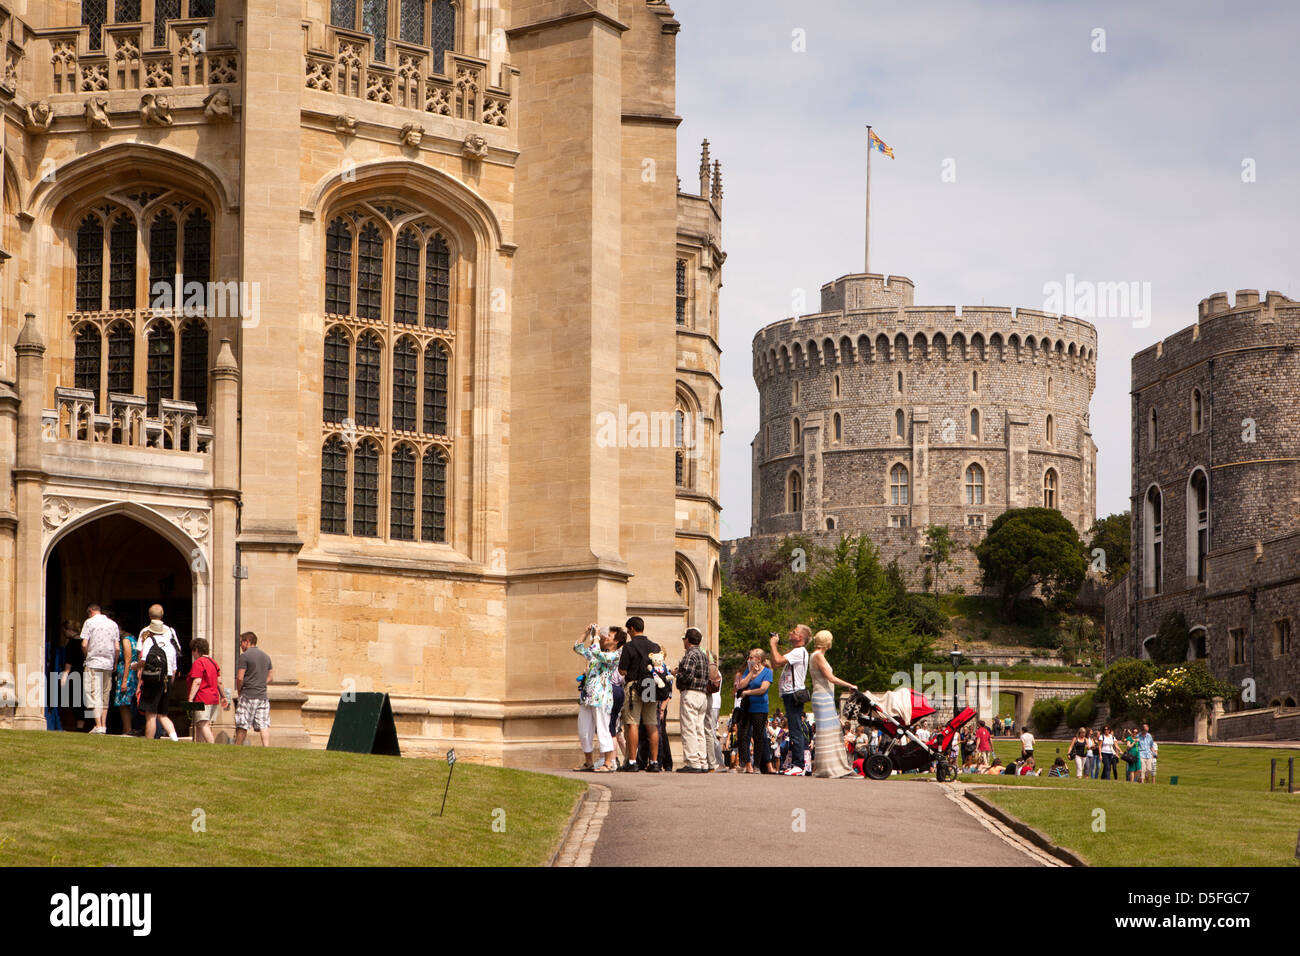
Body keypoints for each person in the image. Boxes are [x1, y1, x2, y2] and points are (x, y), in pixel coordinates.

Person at [808, 630, 857, 778]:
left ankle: (833, 766)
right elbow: (830, 677)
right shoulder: (818, 656)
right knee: (830, 732)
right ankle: (833, 768)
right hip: (823, 696)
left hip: (823, 696)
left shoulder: (816, 656)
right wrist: (850, 685)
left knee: (830, 732)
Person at [572, 624, 620, 772]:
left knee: (603, 729)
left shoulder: (615, 655)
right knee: (584, 730)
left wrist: (597, 636)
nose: (606, 637)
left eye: (610, 636)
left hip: (602, 697)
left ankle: (608, 762)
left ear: (617, 641)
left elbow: (597, 654)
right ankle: (588, 762)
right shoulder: (597, 651)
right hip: (588, 697)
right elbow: (577, 647)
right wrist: (587, 633)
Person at [616, 616, 661, 772]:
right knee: (651, 723)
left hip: (634, 686)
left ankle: (632, 761)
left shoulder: (629, 647)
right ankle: (654, 762)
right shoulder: (655, 646)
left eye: (628, 630)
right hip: (651, 687)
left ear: (632, 629)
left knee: (633, 723)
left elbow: (622, 670)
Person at [769, 624, 812, 777]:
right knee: (794, 728)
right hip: (790, 693)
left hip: (793, 693)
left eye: (794, 632)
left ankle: (799, 764)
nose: (790, 633)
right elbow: (775, 662)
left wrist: (773, 644)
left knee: (795, 729)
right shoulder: (797, 652)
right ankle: (796, 763)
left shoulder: (799, 651)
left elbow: (778, 660)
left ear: (800, 638)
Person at [133, 614, 182, 742]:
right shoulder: (170, 645)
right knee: (162, 714)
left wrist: (134, 666)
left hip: (153, 679)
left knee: (151, 714)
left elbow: (144, 661)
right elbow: (174, 668)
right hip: (167, 679)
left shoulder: (150, 641)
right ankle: (174, 738)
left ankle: (149, 741)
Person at [673, 627, 711, 773]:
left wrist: (678, 675)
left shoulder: (690, 654)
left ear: (687, 640)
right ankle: (702, 761)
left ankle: (692, 762)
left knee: (689, 728)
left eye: (684, 639)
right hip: (702, 694)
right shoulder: (703, 654)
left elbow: (687, 674)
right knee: (699, 728)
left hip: (690, 693)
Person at [79, 604, 120, 735]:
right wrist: (114, 662)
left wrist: (87, 656)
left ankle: (98, 725)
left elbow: (84, 644)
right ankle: (104, 725)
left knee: (94, 693)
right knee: (105, 695)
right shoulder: (113, 624)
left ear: (90, 612)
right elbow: (117, 648)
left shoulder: (89, 622)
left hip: (93, 662)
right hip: (108, 663)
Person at [735, 647, 772, 773]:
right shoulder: (748, 670)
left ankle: (757, 765)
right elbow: (741, 685)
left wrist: (747, 692)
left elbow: (763, 689)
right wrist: (750, 673)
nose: (749, 659)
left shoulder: (767, 672)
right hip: (747, 706)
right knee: (743, 734)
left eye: (751, 657)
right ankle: (746, 763)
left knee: (758, 736)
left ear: (759, 659)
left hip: (760, 707)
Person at [234, 630, 273, 746]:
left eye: (241, 642)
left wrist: (240, 691)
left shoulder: (244, 656)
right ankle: (266, 747)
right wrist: (261, 682)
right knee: (263, 724)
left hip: (248, 695)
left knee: (242, 723)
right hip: (262, 696)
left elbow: (240, 677)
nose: (240, 645)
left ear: (247, 642)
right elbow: (270, 676)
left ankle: (237, 747)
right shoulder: (266, 656)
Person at [186, 637, 228, 743]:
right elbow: (219, 682)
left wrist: (190, 698)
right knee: (200, 724)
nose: (192, 654)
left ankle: (212, 746)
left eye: (192, 651)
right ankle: (199, 747)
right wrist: (223, 696)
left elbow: (197, 681)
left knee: (202, 724)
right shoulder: (213, 662)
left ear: (196, 650)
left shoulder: (199, 662)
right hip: (213, 699)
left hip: (202, 698)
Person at [58, 621, 85, 733]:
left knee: (75, 700)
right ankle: (81, 725)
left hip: (74, 673)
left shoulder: (71, 644)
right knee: (83, 700)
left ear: (69, 630)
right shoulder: (84, 642)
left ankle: (76, 726)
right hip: (85, 672)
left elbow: (69, 661)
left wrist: (65, 674)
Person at [113, 626, 139, 736]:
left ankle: (128, 729)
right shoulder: (132, 639)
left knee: (123, 703)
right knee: (125, 703)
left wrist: (124, 681)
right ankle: (126, 729)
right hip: (128, 674)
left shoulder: (126, 640)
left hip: (127, 674)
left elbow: (128, 660)